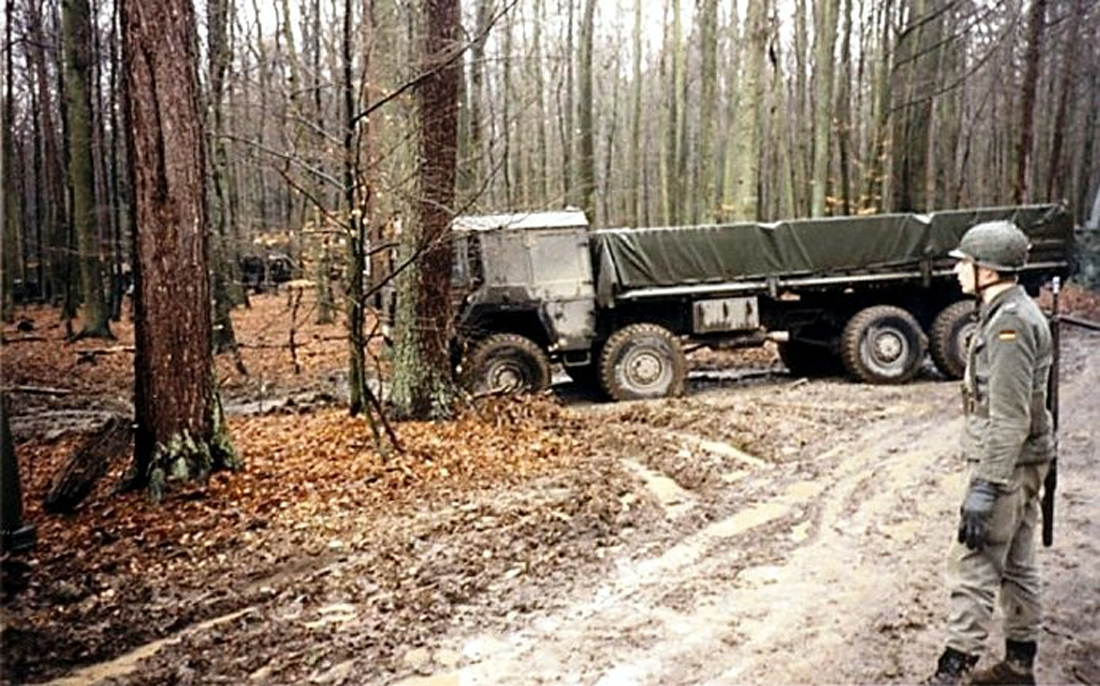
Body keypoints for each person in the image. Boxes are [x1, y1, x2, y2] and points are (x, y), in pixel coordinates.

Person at [924, 221, 1056, 686]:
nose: (959, 270)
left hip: (1006, 465)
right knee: (1017, 563)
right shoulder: (1004, 312)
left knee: (974, 563)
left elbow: (1010, 417)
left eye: (966, 262)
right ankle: (1019, 665)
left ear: (989, 270)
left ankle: (952, 673)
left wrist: (985, 485)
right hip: (1020, 462)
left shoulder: (1011, 324)